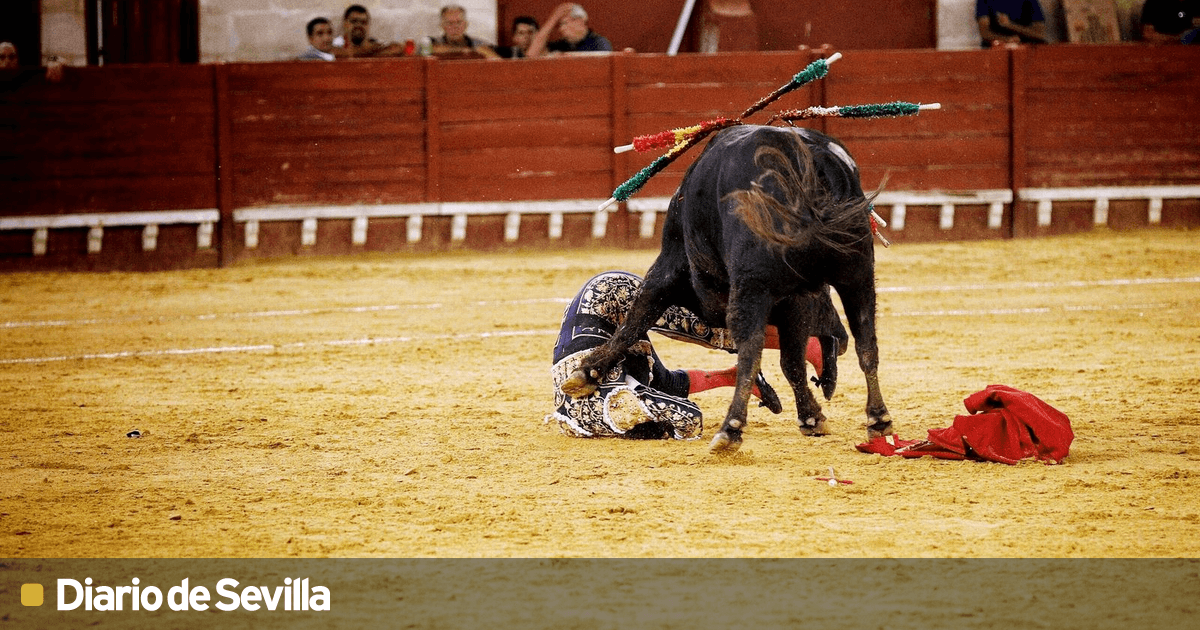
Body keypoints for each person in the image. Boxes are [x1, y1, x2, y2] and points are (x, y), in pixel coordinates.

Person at [547, 271, 828, 440]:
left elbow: (689, 418)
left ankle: (808, 344)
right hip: (598, 339)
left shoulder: (622, 406)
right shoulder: (577, 420)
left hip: (609, 295)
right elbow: (657, 396)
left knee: (702, 329)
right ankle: (732, 376)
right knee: (664, 383)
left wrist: (667, 431)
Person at [526, 3, 613, 57]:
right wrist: (553, 18)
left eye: (564, 23)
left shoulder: (599, 43)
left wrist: (565, 56)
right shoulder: (561, 45)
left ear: (579, 21)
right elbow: (531, 54)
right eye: (559, 25)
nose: (561, 29)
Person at [423, 5, 499, 58]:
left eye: (459, 22)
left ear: (466, 24)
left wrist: (485, 53)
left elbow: (498, 62)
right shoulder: (431, 42)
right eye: (450, 23)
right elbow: (424, 52)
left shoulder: (480, 44)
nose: (455, 27)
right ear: (442, 26)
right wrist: (464, 51)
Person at [332, 5, 404, 58]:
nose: (359, 25)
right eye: (354, 21)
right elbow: (338, 53)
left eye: (363, 22)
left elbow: (396, 49)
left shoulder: (376, 44)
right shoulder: (336, 43)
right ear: (345, 24)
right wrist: (378, 52)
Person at [975, 0, 1048, 47]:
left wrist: (1010, 25)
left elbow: (1040, 34)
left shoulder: (1030, 2)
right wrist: (1007, 39)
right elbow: (984, 33)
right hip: (997, 47)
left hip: (1027, 47)